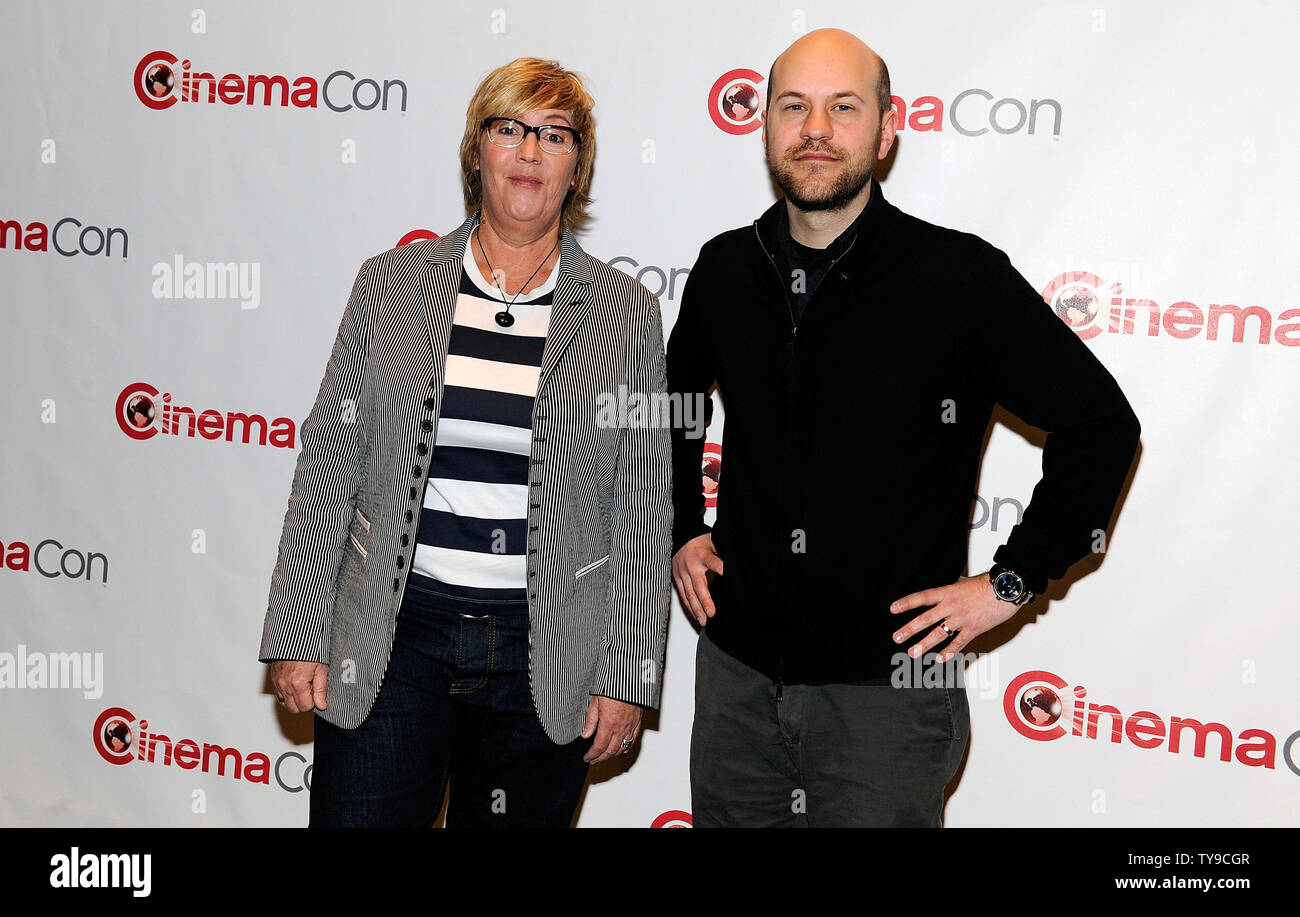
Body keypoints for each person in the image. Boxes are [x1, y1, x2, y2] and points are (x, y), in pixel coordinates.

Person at [667, 28, 1141, 827]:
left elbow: (1102, 424)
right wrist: (685, 522)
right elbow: (674, 400)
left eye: (843, 107)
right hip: (734, 690)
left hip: (886, 707)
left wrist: (1013, 580)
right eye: (795, 106)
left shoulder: (957, 278)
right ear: (767, 128)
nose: (816, 128)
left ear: (885, 132)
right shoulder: (724, 268)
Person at [260, 57, 671, 827]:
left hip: (543, 653)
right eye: (509, 127)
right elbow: (329, 465)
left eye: (554, 134)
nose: (528, 151)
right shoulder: (390, 284)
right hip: (390, 642)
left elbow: (644, 507)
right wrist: (297, 628)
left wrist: (627, 673)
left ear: (576, 162)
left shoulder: (625, 314)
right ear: (476, 147)